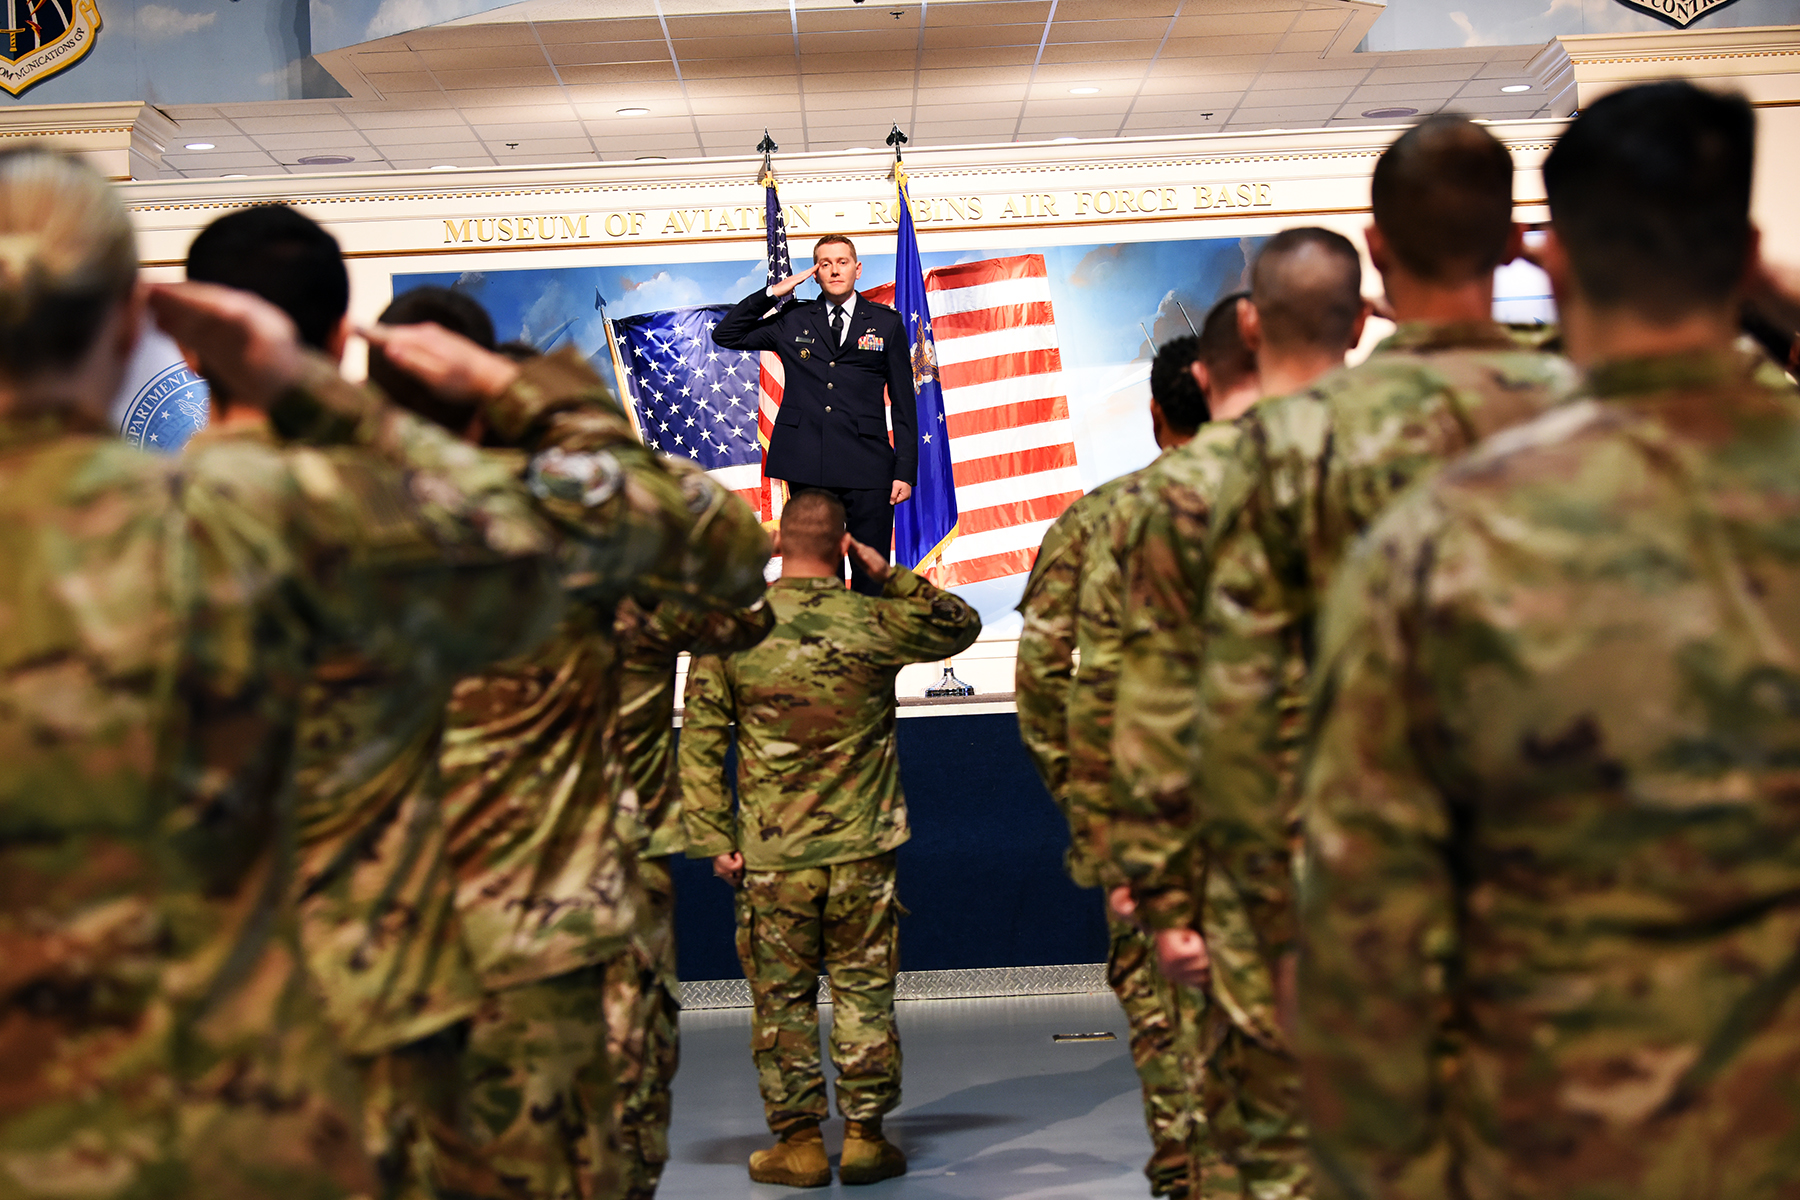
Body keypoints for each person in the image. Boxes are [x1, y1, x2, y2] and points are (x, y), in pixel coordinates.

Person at [0, 145, 564, 1199]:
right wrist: (318, 387)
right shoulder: (261, 521)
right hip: (267, 1101)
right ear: (135, 327)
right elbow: (527, 542)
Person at [1298, 81, 1800, 1198]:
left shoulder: (1452, 540)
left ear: (1553, 259)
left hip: (1582, 1141)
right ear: (1748, 253)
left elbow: (1366, 944)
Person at [1176, 120, 1582, 1197]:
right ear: (1513, 244)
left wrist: (1262, 938)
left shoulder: (1295, 443)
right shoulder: (1594, 414)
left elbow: (1241, 699)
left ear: (1375, 246)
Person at [353, 317, 772, 1200]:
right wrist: (562, 413)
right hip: (576, 899)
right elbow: (737, 561)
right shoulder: (587, 542)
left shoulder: (321, 519)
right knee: (598, 1147)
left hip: (385, 924)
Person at [680, 490, 981, 1187]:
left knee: (781, 1000)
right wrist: (890, 573)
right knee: (863, 992)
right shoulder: (873, 620)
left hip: (772, 856)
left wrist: (714, 838)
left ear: (778, 543)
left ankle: (800, 1145)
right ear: (844, 544)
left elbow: (697, 744)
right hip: (862, 851)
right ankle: (868, 1139)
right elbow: (959, 626)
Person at [1017, 330, 1226, 1200]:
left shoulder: (1100, 520)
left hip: (1152, 829)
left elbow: (1041, 680)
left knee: (1172, 1043)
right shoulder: (1304, 501)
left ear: (1155, 413)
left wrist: (1099, 818)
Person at [602, 594, 776, 1199]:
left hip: (503, 868)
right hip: (619, 855)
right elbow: (747, 613)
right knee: (638, 1045)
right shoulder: (652, 617)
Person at [712, 234, 917, 595]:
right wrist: (774, 293)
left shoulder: (886, 324)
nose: (835, 270)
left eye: (842, 261)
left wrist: (905, 470)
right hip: (809, 463)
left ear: (857, 269)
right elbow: (727, 333)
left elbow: (904, 403)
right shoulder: (792, 319)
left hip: (868, 466)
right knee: (820, 574)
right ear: (816, 273)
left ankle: (866, 649)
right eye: (825, 263)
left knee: (872, 571)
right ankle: (828, 648)